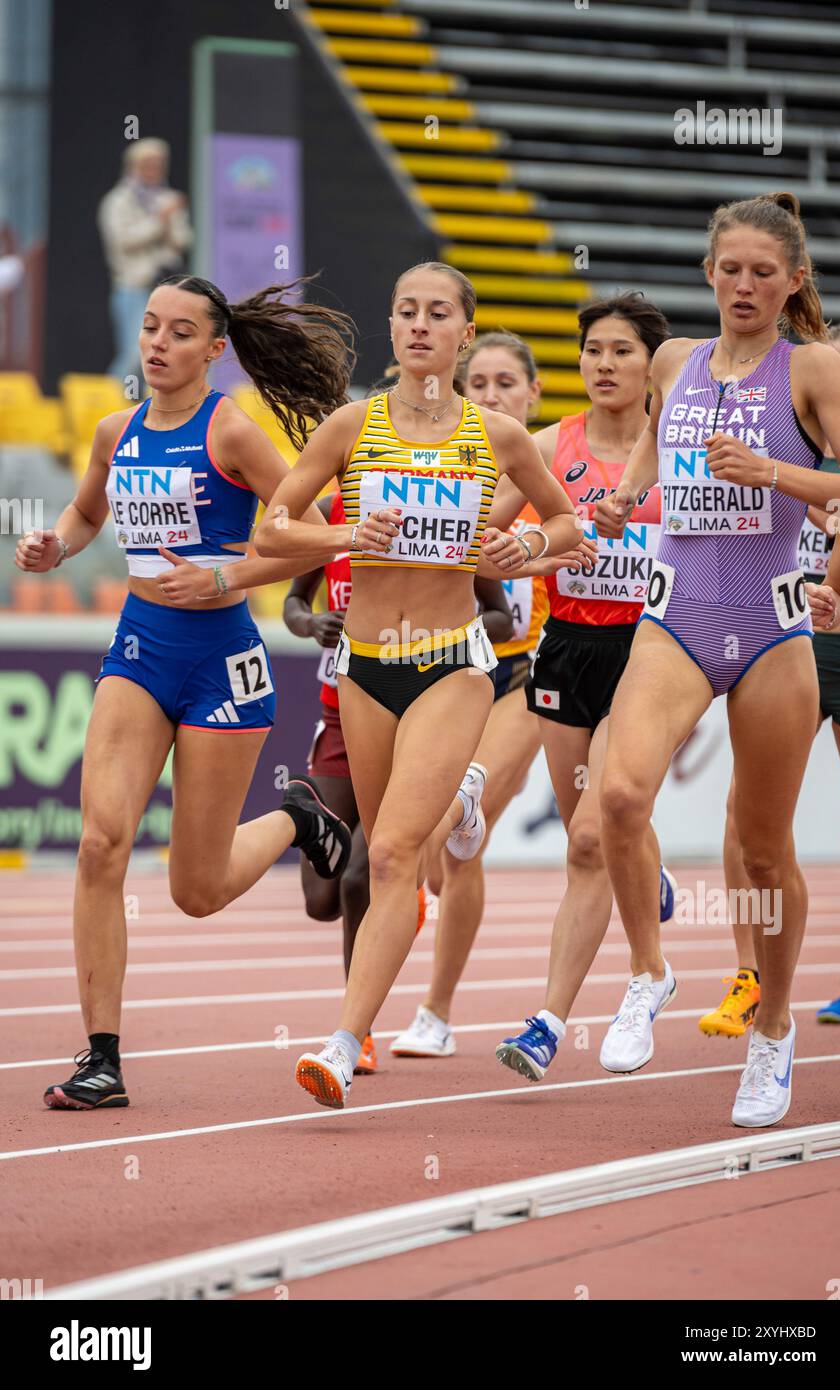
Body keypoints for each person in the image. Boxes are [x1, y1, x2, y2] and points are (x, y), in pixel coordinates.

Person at [255, 260, 595, 1108]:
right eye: (405, 310)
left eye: (437, 313)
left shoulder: (498, 436)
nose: (418, 325)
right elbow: (276, 523)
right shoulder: (350, 426)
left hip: (451, 664)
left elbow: (564, 523)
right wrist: (341, 540)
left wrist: (523, 548)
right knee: (375, 861)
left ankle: (340, 1043)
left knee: (401, 848)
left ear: (463, 332)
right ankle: (360, 1025)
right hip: (365, 672)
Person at [14, 273, 358, 1109]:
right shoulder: (113, 430)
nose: (158, 344)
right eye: (150, 328)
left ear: (214, 349)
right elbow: (88, 516)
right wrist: (56, 545)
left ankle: (300, 815)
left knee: (195, 892)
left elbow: (304, 539)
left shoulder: (233, 433)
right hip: (140, 650)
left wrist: (229, 575)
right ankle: (102, 1058)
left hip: (223, 661)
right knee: (101, 844)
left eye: (179, 332)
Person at [594, 192, 840, 1129]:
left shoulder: (815, 366)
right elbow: (652, 462)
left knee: (761, 849)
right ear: (709, 271)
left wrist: (776, 473)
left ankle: (775, 1030)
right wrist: (625, 499)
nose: (745, 284)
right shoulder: (674, 361)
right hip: (679, 614)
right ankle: (648, 972)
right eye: (730, 268)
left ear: (793, 281)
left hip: (774, 625)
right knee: (619, 795)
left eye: (764, 271)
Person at [480, 298, 677, 1081]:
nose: (602, 364)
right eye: (592, 349)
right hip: (567, 647)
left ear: (652, 366)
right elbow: (493, 551)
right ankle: (648, 875)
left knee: (596, 837)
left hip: (656, 651)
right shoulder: (546, 445)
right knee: (587, 838)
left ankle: (556, 1019)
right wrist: (531, 551)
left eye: (621, 351)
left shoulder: (681, 451)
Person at [284, 484, 514, 1072]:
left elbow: (503, 617)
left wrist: (441, 641)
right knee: (321, 898)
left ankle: (352, 1030)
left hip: (419, 702)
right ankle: (457, 806)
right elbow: (291, 601)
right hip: (342, 711)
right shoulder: (333, 515)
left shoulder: (445, 509)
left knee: (372, 868)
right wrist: (313, 623)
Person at [704, 319, 840, 1039]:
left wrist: (832, 579)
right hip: (789, 644)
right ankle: (751, 976)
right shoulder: (769, 439)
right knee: (747, 823)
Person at [390, 330, 549, 1057]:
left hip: (529, 670)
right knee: (432, 842)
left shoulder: (545, 464)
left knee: (461, 833)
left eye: (504, 385)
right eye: (477, 383)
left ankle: (436, 1010)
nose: (488, 396)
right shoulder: (438, 463)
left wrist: (539, 546)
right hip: (450, 665)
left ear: (532, 395)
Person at [98, 138, 193, 384]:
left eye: (159, 163)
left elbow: (183, 241)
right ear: (133, 166)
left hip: (166, 289)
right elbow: (124, 241)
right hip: (132, 287)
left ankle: (149, 417)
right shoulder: (118, 201)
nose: (155, 169)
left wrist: (170, 220)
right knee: (134, 354)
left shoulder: (168, 198)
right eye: (148, 163)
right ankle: (105, 409)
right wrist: (160, 220)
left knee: (165, 356)